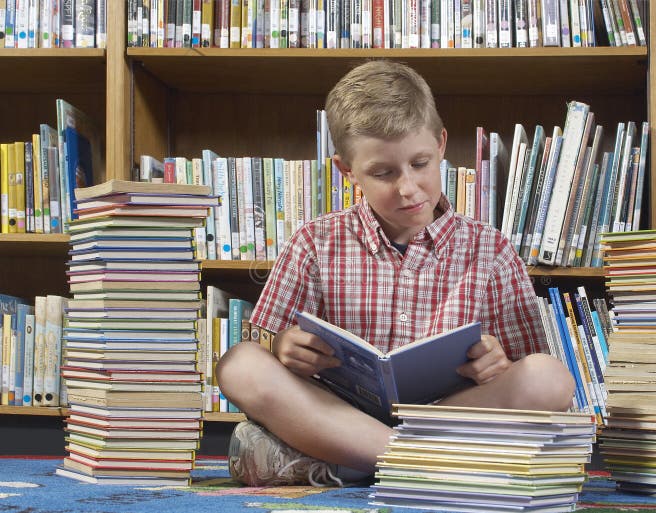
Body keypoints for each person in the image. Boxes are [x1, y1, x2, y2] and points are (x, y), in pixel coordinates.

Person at [216, 59, 576, 487]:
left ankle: (357, 465)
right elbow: (268, 352)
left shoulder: (491, 250)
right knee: (239, 364)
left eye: (421, 163)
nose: (408, 188)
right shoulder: (316, 241)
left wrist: (497, 365)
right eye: (383, 173)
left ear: (442, 144)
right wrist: (285, 350)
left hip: (446, 417)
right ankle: (414, 462)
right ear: (347, 171)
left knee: (550, 378)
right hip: (337, 416)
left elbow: (524, 366)